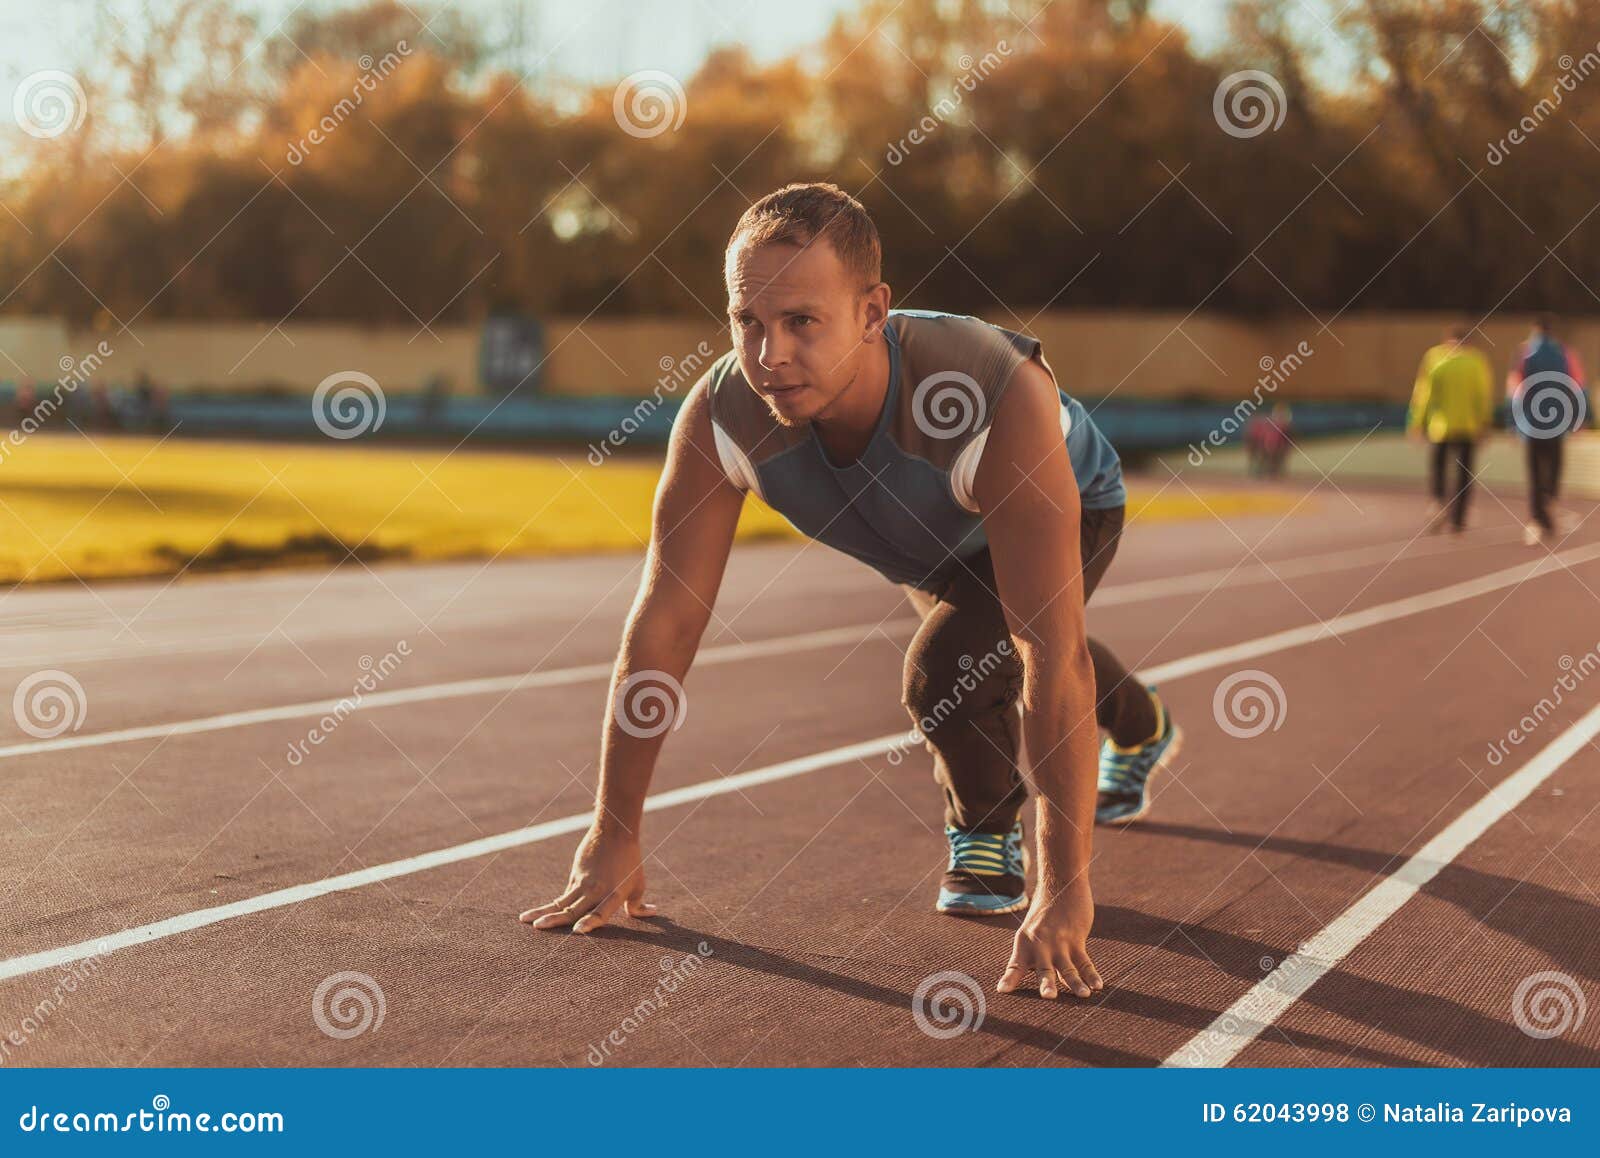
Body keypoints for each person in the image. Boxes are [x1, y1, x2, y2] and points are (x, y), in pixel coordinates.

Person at [519, 182, 1180, 1000]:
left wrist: (1066, 885)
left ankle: (983, 829)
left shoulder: (992, 388)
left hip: (1068, 504)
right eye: (746, 321)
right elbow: (665, 624)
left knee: (961, 663)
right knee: (987, 644)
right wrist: (612, 829)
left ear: (873, 314)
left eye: (801, 321)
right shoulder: (724, 414)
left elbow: (1050, 649)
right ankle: (1142, 721)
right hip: (926, 545)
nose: (768, 355)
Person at [1506, 315, 1587, 545]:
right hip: (1558, 423)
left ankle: (1537, 519)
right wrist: (1580, 418)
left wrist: (1512, 422)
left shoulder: (1524, 352)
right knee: (1554, 467)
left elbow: (1515, 388)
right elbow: (1578, 385)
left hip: (1531, 424)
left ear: (1534, 330)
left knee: (1534, 472)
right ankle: (1549, 500)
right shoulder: (1565, 352)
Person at [1406, 325, 1492, 533]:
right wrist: (1484, 423)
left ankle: (1437, 502)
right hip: (1467, 427)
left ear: (1447, 341)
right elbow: (1482, 395)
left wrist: (1416, 423)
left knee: (1438, 469)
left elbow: (1424, 393)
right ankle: (1458, 519)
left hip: (1440, 427)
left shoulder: (1435, 358)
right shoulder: (1476, 361)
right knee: (1463, 475)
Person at [1245, 402, 1293, 478]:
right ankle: (1262, 471)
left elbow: (1286, 441)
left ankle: (1271, 472)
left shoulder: (1284, 426)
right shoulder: (1264, 425)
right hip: (1265, 446)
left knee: (1273, 461)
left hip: (1274, 448)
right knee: (1264, 460)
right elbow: (1254, 438)